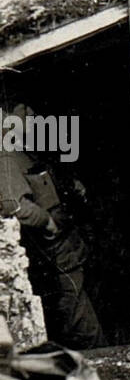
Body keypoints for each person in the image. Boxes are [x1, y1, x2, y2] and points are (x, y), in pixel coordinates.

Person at [0, 108, 105, 350]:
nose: (34, 116)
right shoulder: (7, 155)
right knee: (79, 319)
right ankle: (99, 365)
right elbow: (14, 205)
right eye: (25, 111)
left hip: (70, 246)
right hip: (54, 252)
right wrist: (47, 222)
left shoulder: (28, 149)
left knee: (79, 309)